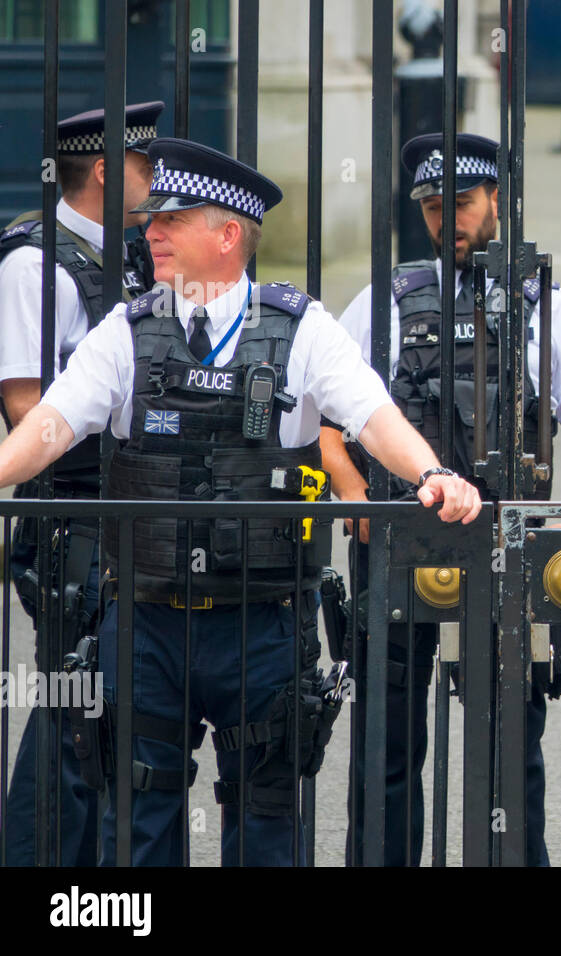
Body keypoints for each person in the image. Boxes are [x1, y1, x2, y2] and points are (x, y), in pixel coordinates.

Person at [0, 137, 482, 866]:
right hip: (148, 620)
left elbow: (373, 415)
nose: (149, 230)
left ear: (227, 235)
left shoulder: (301, 328)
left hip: (263, 623)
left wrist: (431, 473)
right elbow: (50, 425)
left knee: (265, 821)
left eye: (171, 219)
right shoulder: (126, 333)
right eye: (149, 218)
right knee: (137, 819)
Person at [324, 132, 561, 866]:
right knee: (386, 745)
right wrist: (359, 505)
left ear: (496, 201)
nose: (444, 219)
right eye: (431, 206)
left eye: (458, 203)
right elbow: (324, 428)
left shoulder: (538, 303)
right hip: (398, 547)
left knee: (507, 746)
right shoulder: (385, 302)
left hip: (504, 553)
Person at [0, 101, 163, 867]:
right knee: (73, 709)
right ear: (105, 170)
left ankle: (93, 881)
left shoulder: (134, 257)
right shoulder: (35, 264)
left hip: (131, 509)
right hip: (71, 515)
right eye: (145, 166)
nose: (157, 180)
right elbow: (26, 404)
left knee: (114, 713)